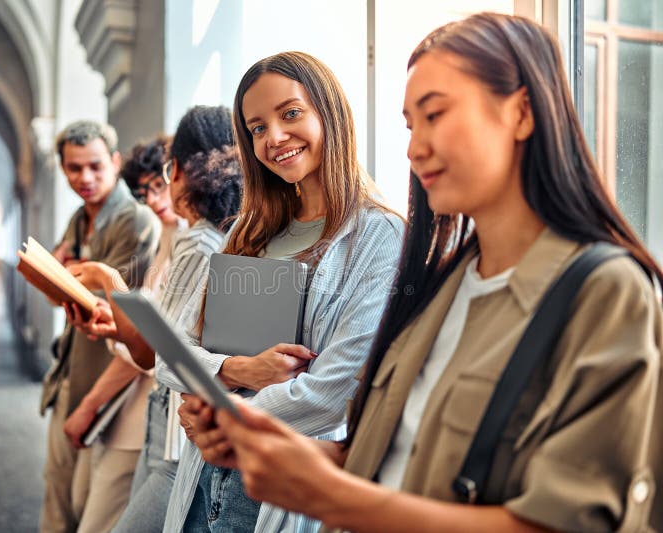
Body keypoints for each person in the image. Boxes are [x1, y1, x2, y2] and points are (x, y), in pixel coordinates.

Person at [204, 13, 663, 533]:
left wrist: (330, 493)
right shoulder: (442, 282)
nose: (414, 147)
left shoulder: (605, 292)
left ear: (522, 112)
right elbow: (394, 461)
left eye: (436, 115)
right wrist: (256, 432)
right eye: (409, 124)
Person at [157, 52, 405, 533]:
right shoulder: (247, 234)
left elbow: (330, 394)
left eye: (290, 113)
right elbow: (169, 357)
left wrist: (218, 414)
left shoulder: (379, 236)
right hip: (203, 482)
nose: (273, 138)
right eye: (256, 128)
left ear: (328, 112)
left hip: (277, 495)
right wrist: (234, 370)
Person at [65, 106, 243, 533]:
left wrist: (110, 282)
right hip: (167, 429)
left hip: (176, 442)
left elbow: (156, 355)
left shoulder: (199, 240)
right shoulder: (224, 236)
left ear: (178, 170)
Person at [54, 135, 184, 533]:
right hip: (140, 408)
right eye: (145, 190)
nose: (155, 199)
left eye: (160, 185)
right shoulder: (167, 236)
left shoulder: (191, 240)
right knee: (82, 502)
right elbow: (144, 331)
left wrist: (90, 403)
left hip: (153, 408)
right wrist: (118, 323)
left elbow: (156, 344)